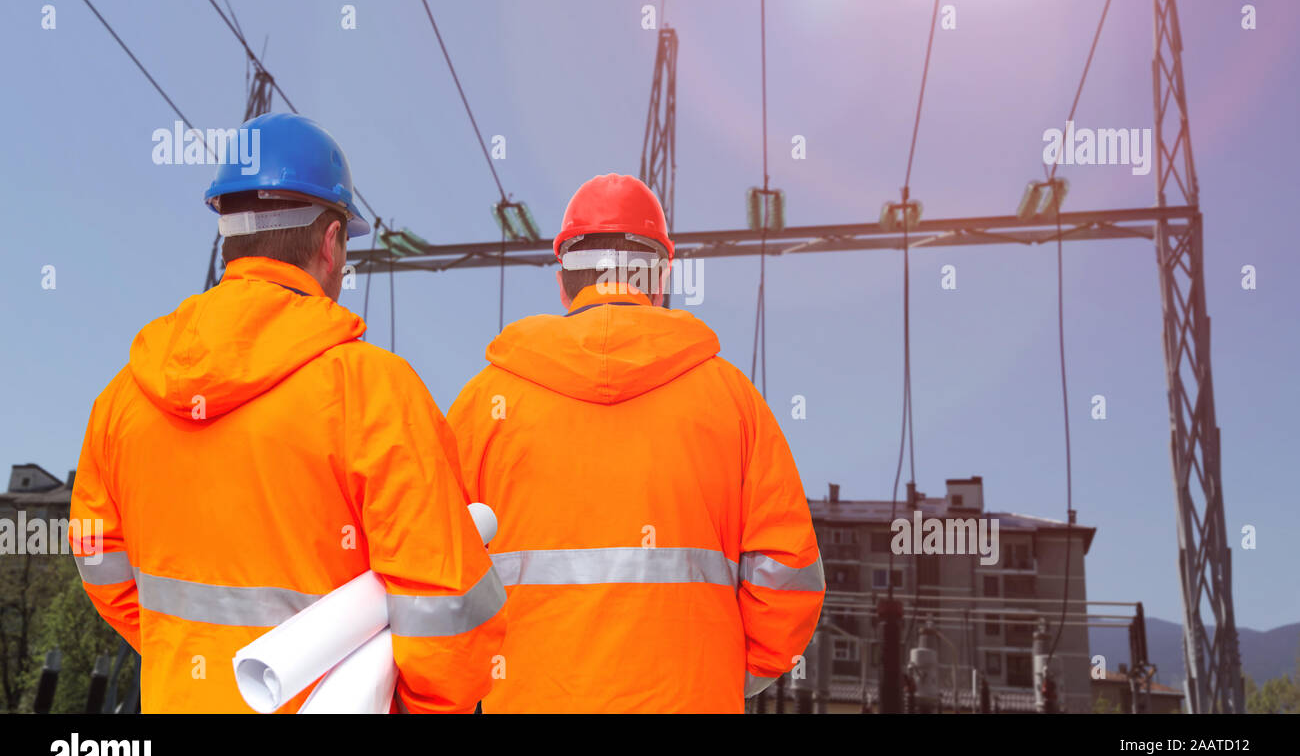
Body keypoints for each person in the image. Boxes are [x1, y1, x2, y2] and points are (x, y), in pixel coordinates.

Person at [70, 113, 505, 713]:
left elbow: (98, 558)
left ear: (228, 235)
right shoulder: (374, 392)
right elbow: (446, 608)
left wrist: (192, 660)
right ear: (330, 242)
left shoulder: (124, 399)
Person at [447, 173, 823, 712]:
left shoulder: (485, 403)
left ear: (563, 281)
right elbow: (788, 575)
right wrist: (722, 673)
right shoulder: (732, 400)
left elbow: (435, 575)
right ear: (661, 275)